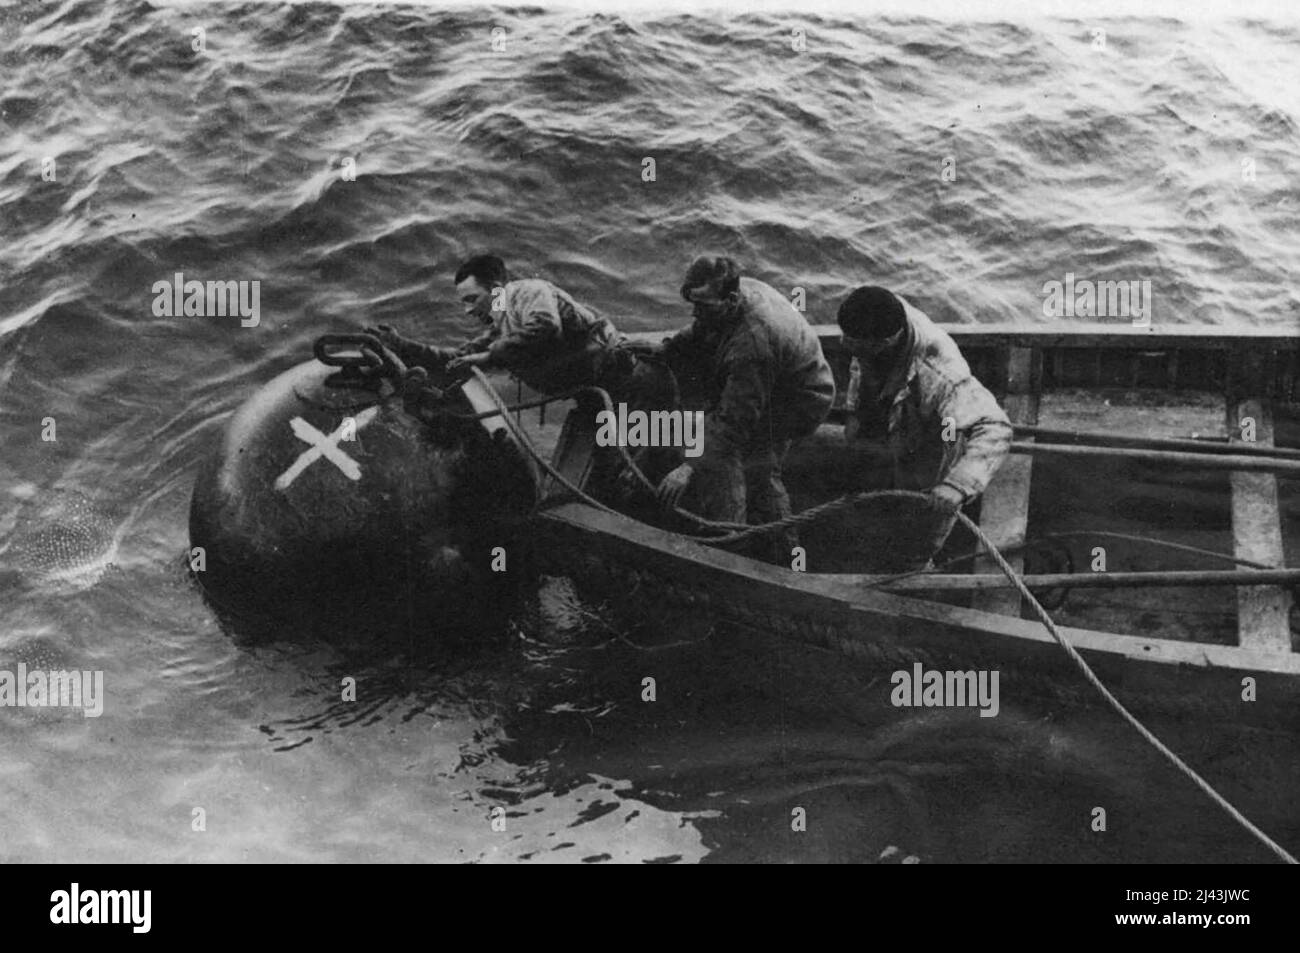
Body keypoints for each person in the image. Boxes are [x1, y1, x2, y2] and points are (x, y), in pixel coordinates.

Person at [369, 254, 676, 498]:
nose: (467, 311)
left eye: (471, 299)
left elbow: (545, 326)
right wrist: (402, 345)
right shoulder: (501, 326)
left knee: (642, 474)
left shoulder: (530, 292)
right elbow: (455, 360)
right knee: (607, 479)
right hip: (598, 398)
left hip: (635, 385)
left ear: (497, 289)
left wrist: (490, 356)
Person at [651, 256, 835, 559]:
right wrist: (669, 347)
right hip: (776, 378)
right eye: (693, 304)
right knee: (723, 448)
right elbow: (701, 326)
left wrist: (689, 466)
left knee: (758, 465)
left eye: (703, 306)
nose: (696, 313)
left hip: (800, 400)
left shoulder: (752, 345)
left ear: (732, 299)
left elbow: (733, 425)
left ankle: (772, 549)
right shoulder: (737, 291)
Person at [838, 286, 1012, 570]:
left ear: (887, 341)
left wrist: (956, 487)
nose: (849, 350)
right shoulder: (879, 317)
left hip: (935, 439)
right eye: (848, 343)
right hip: (893, 422)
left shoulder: (940, 373)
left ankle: (917, 576)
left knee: (918, 536)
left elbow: (995, 427)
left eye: (858, 347)